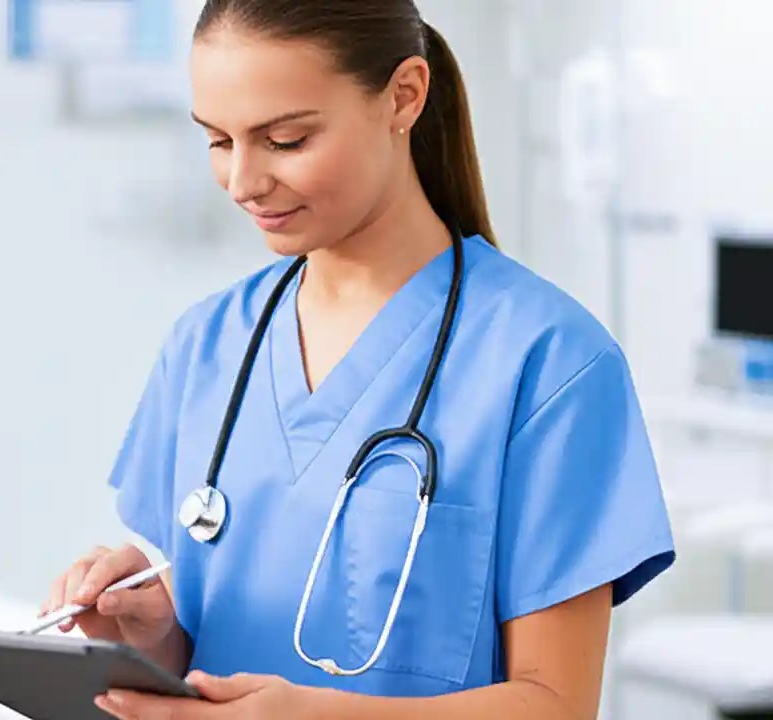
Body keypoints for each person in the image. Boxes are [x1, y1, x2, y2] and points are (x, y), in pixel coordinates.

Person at [40, 1, 676, 718]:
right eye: (219, 141)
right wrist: (154, 639)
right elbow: (216, 658)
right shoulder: (207, 345)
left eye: (285, 139)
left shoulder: (549, 363)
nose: (244, 182)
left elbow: (556, 706)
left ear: (404, 96)